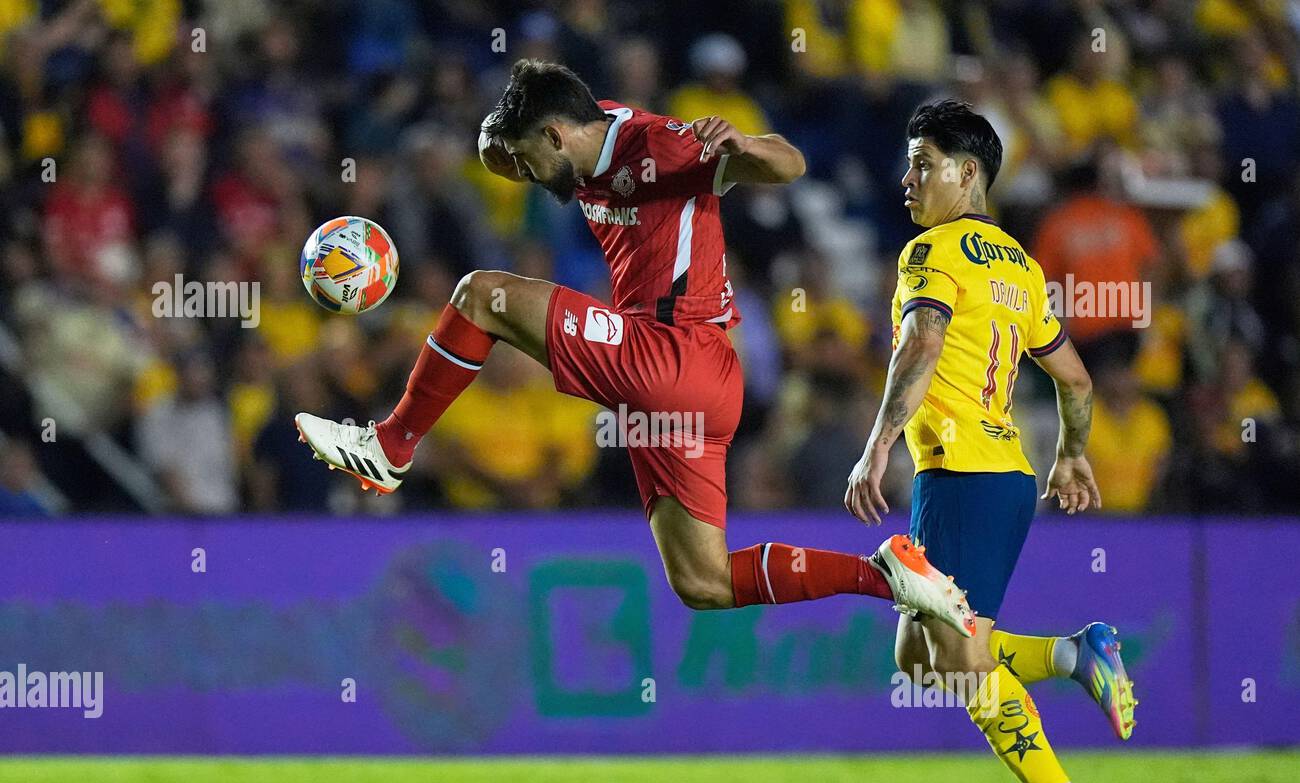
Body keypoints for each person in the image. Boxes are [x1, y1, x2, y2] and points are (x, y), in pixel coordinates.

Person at [295, 59, 975, 634]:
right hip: (690, 391)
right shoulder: (584, 138)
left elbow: (790, 163)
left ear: (558, 135)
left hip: (674, 353)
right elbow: (495, 154)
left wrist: (738, 147)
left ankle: (391, 446)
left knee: (482, 296)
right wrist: (496, 137)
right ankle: (886, 573)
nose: (523, 176)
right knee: (703, 581)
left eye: (531, 158)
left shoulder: (664, 144)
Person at [844, 100, 1138, 783]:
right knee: (917, 657)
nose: (907, 180)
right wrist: (1072, 452)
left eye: (923, 163)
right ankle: (1077, 656)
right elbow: (1074, 379)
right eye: (908, 163)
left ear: (967, 173)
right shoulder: (1021, 266)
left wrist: (876, 445)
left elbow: (921, 347)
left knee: (960, 659)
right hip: (997, 475)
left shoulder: (932, 253)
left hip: (964, 477)